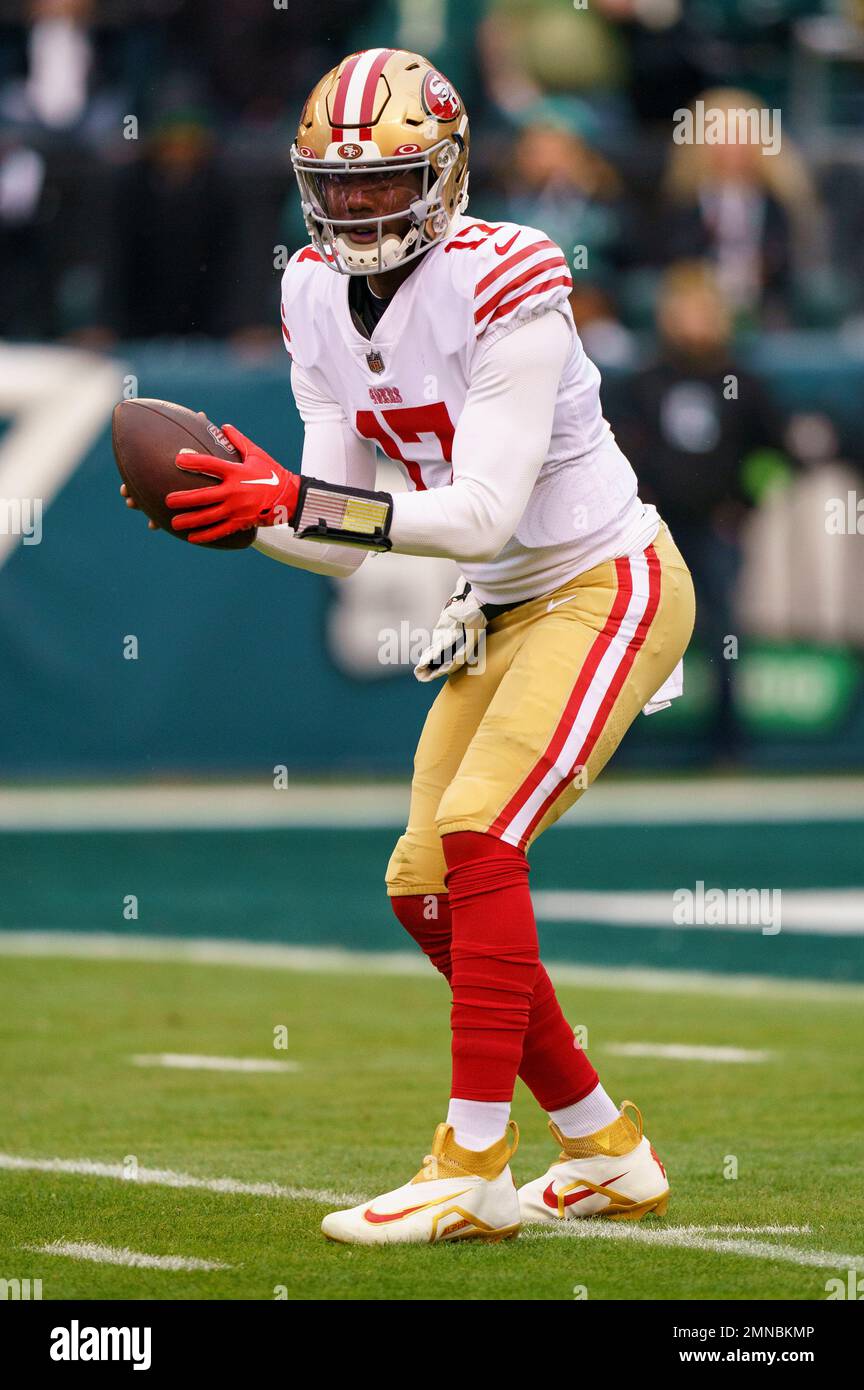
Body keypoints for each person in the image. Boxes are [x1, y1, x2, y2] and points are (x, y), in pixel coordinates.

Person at [122, 48, 695, 1245]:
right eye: (341, 184)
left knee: (483, 836)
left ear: (445, 174)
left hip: (603, 580)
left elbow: (481, 511)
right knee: (423, 887)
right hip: (496, 609)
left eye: (388, 182)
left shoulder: (511, 275)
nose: (362, 206)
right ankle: (603, 1149)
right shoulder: (312, 294)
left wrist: (300, 504)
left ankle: (474, 1160)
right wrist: (250, 514)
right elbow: (335, 534)